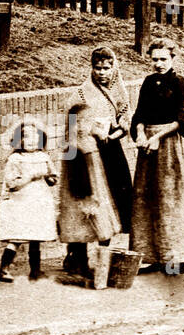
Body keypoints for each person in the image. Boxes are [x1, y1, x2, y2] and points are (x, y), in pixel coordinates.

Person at [57, 46, 133, 281]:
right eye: (97, 68)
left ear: (114, 68)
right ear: (91, 68)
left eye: (107, 68)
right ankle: (76, 255)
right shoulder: (81, 93)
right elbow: (71, 123)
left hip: (110, 150)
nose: (102, 73)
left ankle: (103, 255)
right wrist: (88, 133)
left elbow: (125, 117)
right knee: (86, 201)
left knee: (111, 201)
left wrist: (117, 132)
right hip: (85, 153)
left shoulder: (119, 91)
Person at [130, 38, 184, 276]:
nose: (158, 64)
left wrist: (158, 136)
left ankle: (175, 257)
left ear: (173, 59)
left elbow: (182, 118)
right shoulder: (148, 82)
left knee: (170, 199)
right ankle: (153, 256)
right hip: (147, 146)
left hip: (168, 144)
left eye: (163, 59)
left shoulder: (180, 83)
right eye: (154, 59)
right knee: (147, 199)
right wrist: (140, 133)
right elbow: (139, 113)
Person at [0, 117, 57, 283]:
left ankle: (35, 271)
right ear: (19, 140)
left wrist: (49, 178)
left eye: (35, 136)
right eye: (26, 137)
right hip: (21, 202)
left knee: (36, 237)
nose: (31, 141)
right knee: (18, 237)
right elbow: (11, 183)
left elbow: (53, 176)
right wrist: (30, 177)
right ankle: (4, 269)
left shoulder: (43, 156)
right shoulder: (15, 159)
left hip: (39, 201)